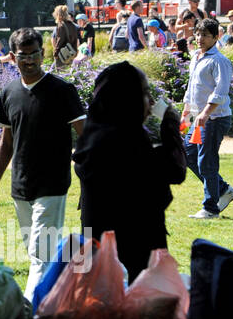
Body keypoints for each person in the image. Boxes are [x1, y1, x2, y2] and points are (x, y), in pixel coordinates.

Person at [0, 28, 87, 299]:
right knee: (39, 251)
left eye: (34, 54)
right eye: (23, 56)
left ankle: (32, 308)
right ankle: (60, 293)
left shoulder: (62, 90)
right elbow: (5, 142)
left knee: (40, 254)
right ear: (12, 57)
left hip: (52, 185)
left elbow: (86, 138)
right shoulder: (8, 92)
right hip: (20, 186)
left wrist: (88, 182)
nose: (29, 61)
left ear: (43, 54)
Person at [73, 62, 185, 283]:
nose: (150, 102)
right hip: (130, 259)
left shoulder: (93, 137)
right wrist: (170, 124)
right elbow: (175, 170)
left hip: (101, 256)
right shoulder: (124, 140)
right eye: (144, 93)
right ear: (127, 98)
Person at [182, 18, 233, 219]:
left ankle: (211, 208)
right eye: (198, 34)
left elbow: (221, 91)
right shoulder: (197, 58)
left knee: (207, 161)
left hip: (214, 119)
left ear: (216, 37)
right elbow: (192, 89)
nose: (200, 38)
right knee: (187, 153)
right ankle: (224, 189)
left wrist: (205, 113)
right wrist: (187, 112)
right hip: (199, 119)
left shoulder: (220, 61)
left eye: (206, 35)